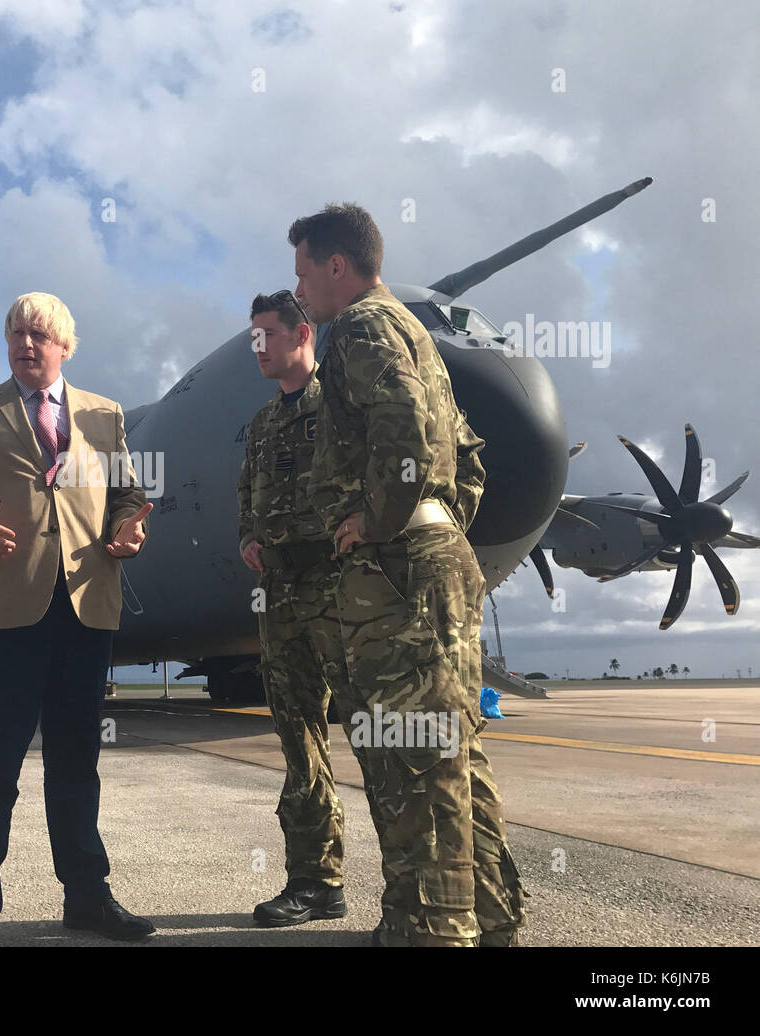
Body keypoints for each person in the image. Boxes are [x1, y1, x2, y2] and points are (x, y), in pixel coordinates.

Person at [290, 202, 527, 947]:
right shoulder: (416, 334)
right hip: (436, 561)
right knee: (455, 750)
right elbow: (469, 452)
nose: (298, 291)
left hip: (396, 573)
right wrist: (439, 520)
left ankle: (428, 930)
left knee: (410, 756)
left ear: (338, 267)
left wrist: (384, 520)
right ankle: (491, 917)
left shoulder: (358, 327)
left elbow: (403, 427)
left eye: (302, 273)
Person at [0, 291, 154, 946]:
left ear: (65, 346)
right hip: (4, 614)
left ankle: (87, 895)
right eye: (18, 332)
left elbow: (127, 493)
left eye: (41, 334)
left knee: (77, 761)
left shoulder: (105, 416)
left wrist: (130, 527)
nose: (27, 342)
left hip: (85, 604)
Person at [237, 290, 348, 927]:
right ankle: (316, 880)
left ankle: (415, 886)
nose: (259, 346)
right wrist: (249, 535)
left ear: (302, 334)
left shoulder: (339, 407)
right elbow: (246, 495)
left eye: (268, 334)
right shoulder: (261, 424)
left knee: (386, 742)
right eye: (253, 336)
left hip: (343, 592)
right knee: (300, 744)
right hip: (281, 599)